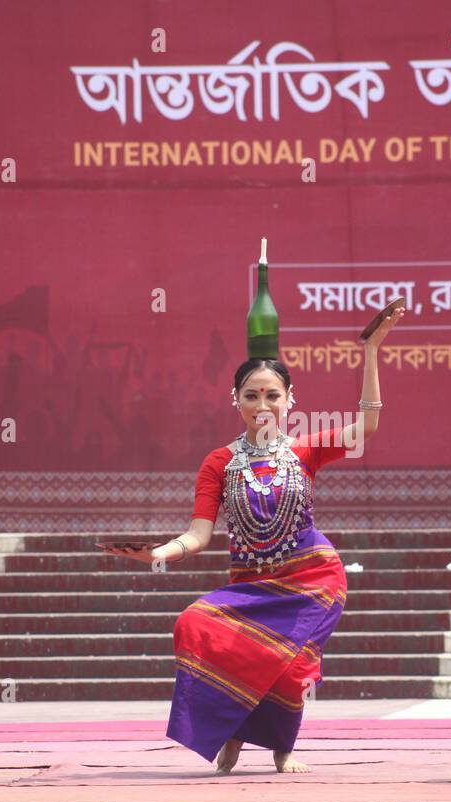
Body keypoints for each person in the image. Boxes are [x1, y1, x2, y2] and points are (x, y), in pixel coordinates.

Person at [108, 306, 405, 773]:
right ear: (236, 400)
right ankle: (231, 730)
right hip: (251, 585)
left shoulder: (306, 449)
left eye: (272, 395)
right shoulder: (218, 463)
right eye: (252, 395)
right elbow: (198, 534)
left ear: (289, 400)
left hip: (314, 579)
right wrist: (160, 553)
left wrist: (370, 352)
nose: (262, 405)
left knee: (290, 668)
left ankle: (282, 749)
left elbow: (366, 426)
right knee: (194, 624)